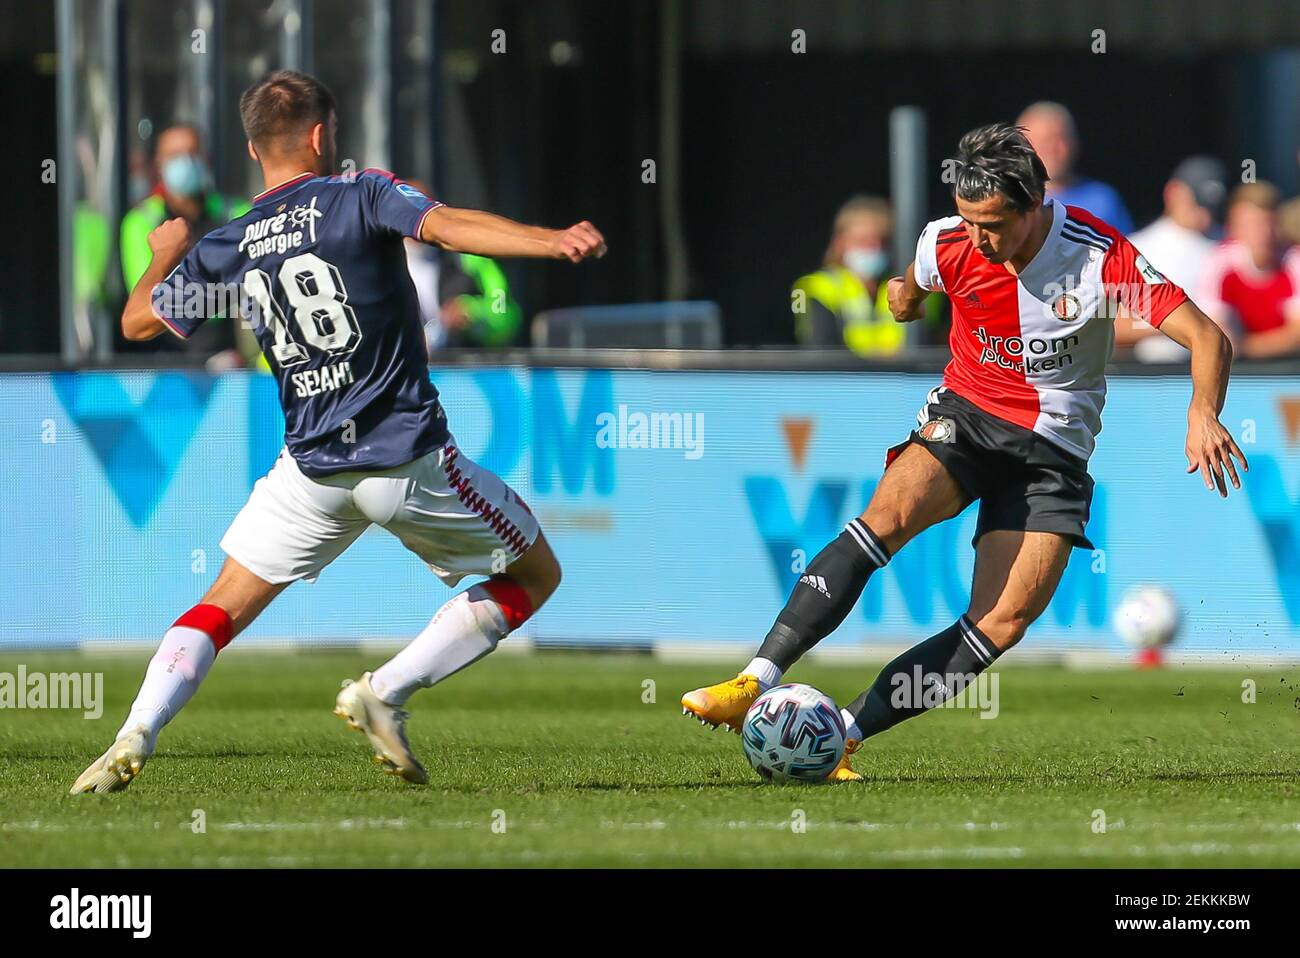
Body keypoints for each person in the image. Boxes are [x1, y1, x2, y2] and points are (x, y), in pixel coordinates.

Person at [71, 70, 606, 794]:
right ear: (322, 137)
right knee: (537, 575)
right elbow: (446, 227)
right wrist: (550, 241)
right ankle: (385, 693)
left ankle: (136, 728)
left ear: (255, 148)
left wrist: (165, 252)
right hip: (405, 460)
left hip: (311, 471)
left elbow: (138, 322)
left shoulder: (233, 242)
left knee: (220, 603)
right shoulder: (364, 195)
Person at [681, 123, 1245, 781]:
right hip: (967, 417)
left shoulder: (1099, 257)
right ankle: (752, 680)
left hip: (1054, 452)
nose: (980, 238)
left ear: (1034, 206)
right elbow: (910, 287)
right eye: (970, 220)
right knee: (881, 524)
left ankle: (845, 736)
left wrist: (1202, 412)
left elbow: (1208, 339)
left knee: (1001, 622)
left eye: (995, 225)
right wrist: (903, 297)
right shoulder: (946, 239)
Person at [119, 124, 252, 363]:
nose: (185, 163)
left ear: (205, 158)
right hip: (164, 360)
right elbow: (144, 306)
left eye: (192, 153)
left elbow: (252, 292)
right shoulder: (140, 222)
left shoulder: (236, 213)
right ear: (158, 164)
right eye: (174, 156)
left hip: (229, 361)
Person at [1120, 156, 1227, 362]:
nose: (1205, 214)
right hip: (1153, 372)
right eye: (1197, 203)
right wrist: (1193, 328)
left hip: (1222, 368)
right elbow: (1113, 324)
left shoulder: (1229, 245)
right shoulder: (1138, 247)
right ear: (1173, 192)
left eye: (1212, 206)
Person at [792, 196, 920, 355]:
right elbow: (820, 352)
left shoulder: (910, 283)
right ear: (840, 243)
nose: (875, 248)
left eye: (883, 241)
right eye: (863, 241)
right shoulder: (816, 288)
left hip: (905, 378)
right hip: (846, 378)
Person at [1198, 182, 1300, 359]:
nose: (1263, 233)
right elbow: (1214, 332)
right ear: (1233, 227)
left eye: (1268, 223)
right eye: (1253, 224)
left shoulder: (1294, 261)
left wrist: (1245, 347)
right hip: (1238, 371)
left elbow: (1296, 335)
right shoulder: (1219, 264)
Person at [1017, 101, 1133, 233]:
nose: (1050, 149)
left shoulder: (1104, 200)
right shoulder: (1008, 201)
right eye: (1041, 140)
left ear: (1074, 143)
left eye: (1057, 138)